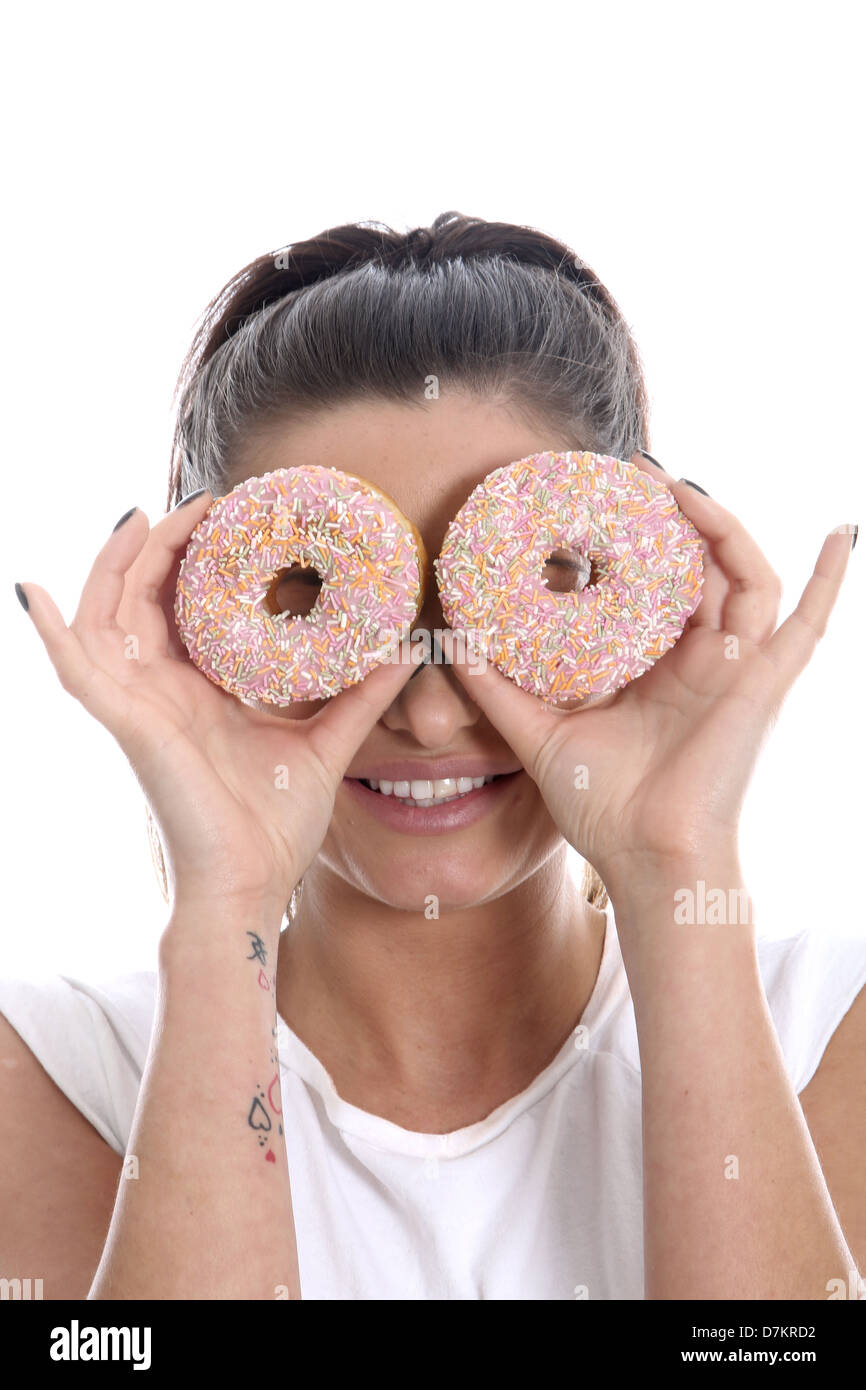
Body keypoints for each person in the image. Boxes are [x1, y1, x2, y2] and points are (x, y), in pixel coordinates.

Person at [2, 212, 864, 1301]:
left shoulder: (824, 1030)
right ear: (188, 622)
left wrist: (676, 861)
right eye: (313, 593)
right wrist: (225, 900)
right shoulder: (51, 1069)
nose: (428, 713)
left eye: (523, 586)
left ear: (650, 600)